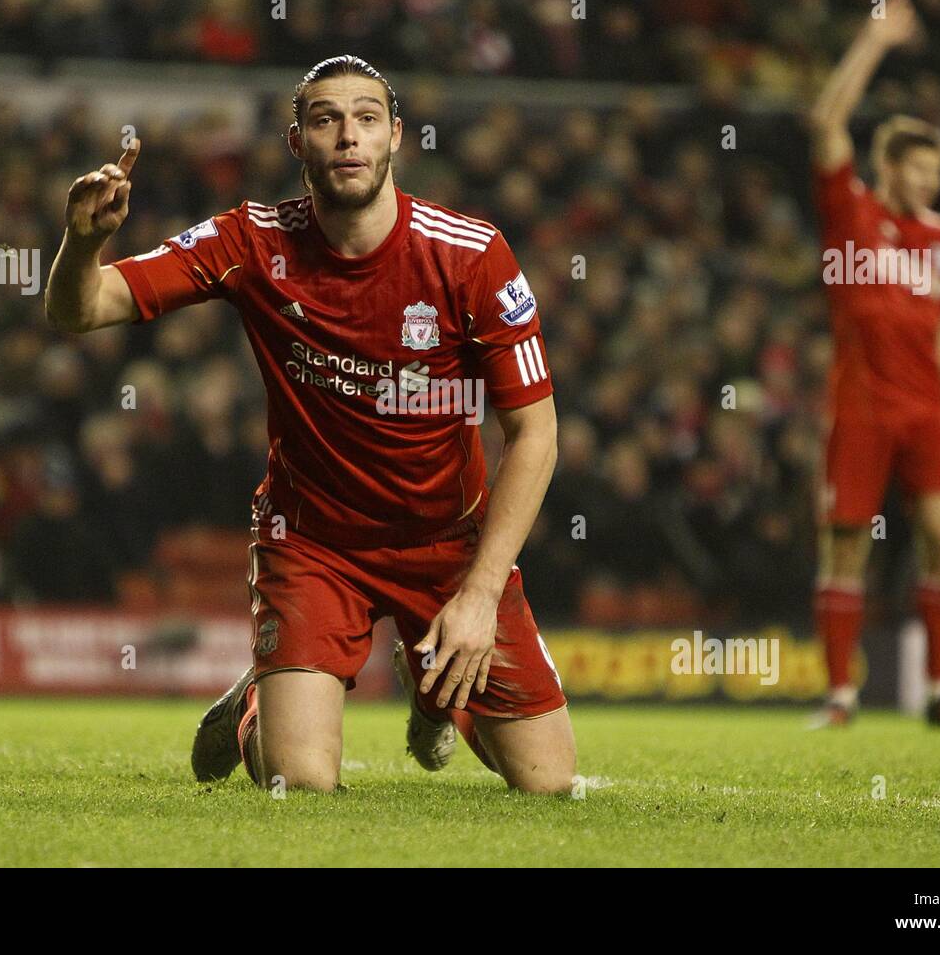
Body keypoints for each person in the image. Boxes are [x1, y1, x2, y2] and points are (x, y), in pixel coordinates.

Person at [46, 55, 577, 791]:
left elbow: (536, 432)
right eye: (325, 119)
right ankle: (266, 693)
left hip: (450, 547)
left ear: (395, 136)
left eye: (365, 118)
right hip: (314, 545)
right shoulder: (252, 242)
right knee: (301, 784)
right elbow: (81, 309)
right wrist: (81, 242)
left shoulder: (472, 255)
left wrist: (481, 594)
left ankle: (429, 685)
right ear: (298, 143)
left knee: (547, 782)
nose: (347, 137)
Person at [807, 0, 940, 727]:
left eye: (938, 171)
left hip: (925, 412)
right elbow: (824, 121)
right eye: (920, 169)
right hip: (862, 406)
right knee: (848, 543)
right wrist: (873, 40)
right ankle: (841, 695)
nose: (931, 182)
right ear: (889, 166)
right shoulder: (854, 215)